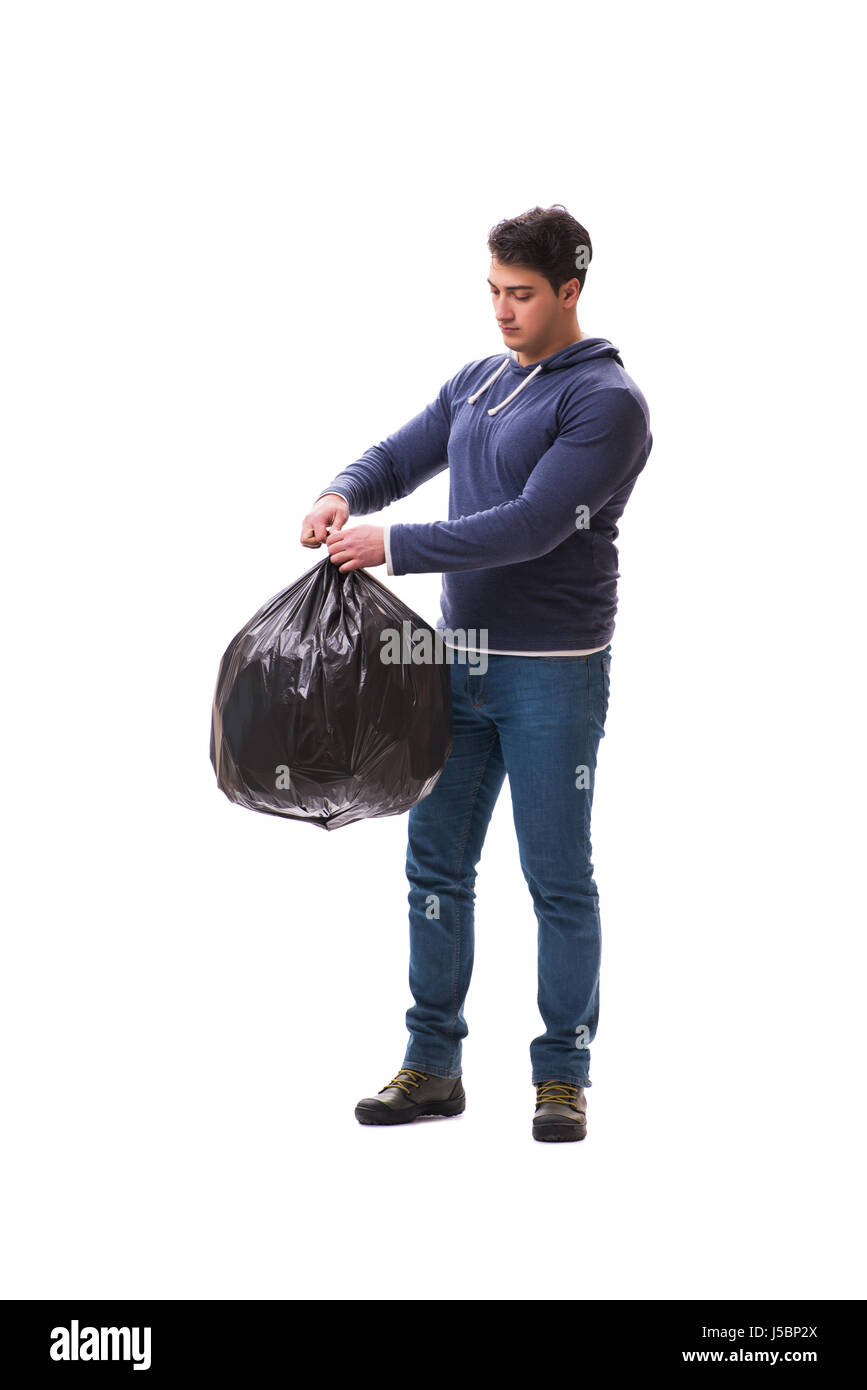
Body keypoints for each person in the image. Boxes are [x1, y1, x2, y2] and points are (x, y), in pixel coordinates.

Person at [299, 204, 652, 1142]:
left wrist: (395, 543)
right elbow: (398, 455)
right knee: (434, 866)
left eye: (522, 295)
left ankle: (561, 1077)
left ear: (570, 291)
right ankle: (431, 1067)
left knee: (556, 877)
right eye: (492, 291)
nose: (501, 311)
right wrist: (344, 492)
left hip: (553, 675)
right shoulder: (480, 381)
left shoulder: (604, 402)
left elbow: (533, 527)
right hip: (452, 660)